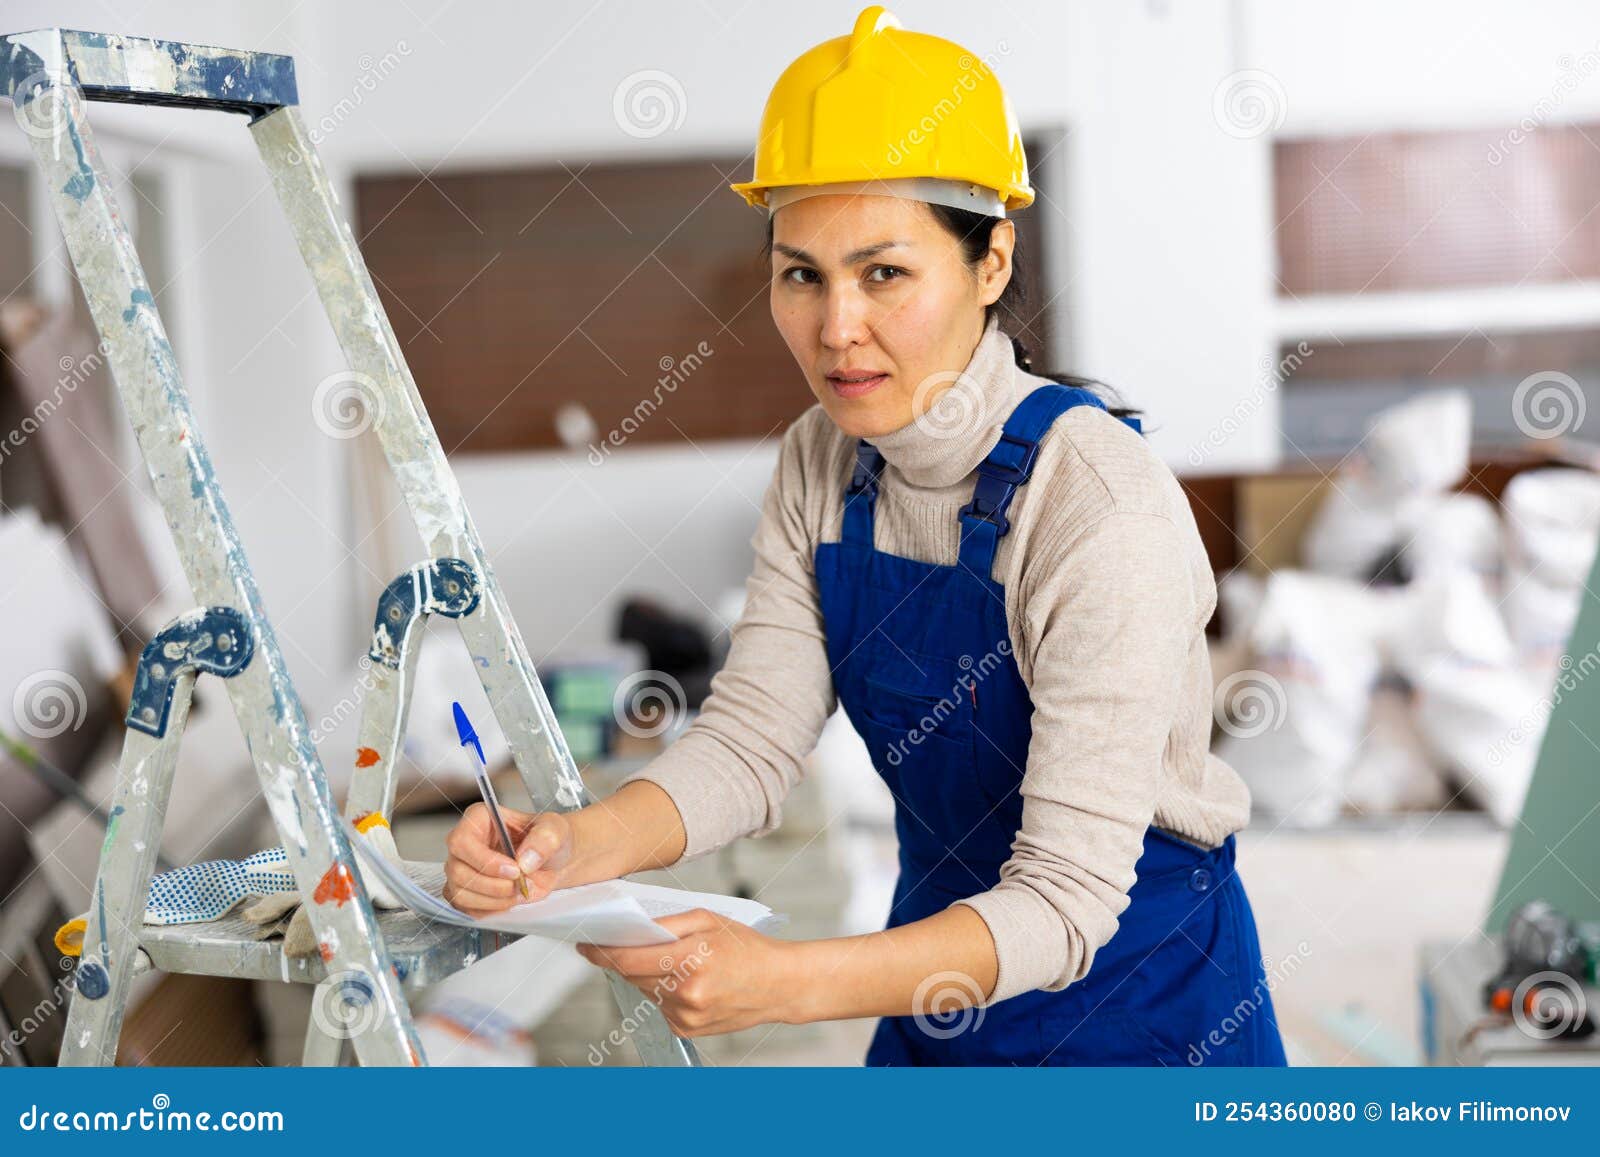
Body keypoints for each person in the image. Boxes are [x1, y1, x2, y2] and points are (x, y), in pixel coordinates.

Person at [443, 5, 1287, 1067]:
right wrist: (576, 842)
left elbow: (1069, 897)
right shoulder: (823, 458)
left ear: (990, 263)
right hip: (932, 978)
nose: (836, 327)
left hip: (1136, 1008)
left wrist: (786, 983)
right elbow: (753, 743)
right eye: (801, 273)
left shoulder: (1096, 505)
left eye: (883, 273)